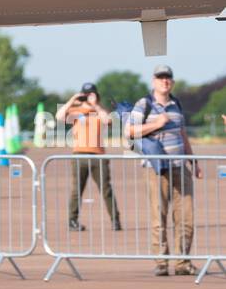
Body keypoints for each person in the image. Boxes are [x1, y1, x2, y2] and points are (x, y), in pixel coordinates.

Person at [126, 64, 200, 277]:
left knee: (185, 217)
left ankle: (183, 262)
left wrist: (193, 162)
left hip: (179, 166)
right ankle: (161, 261)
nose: (164, 81)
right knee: (159, 216)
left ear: (172, 82)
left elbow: (183, 134)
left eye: (167, 77)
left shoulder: (176, 104)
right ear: (153, 81)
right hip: (156, 168)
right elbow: (129, 131)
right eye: (160, 77)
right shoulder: (144, 104)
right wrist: (157, 124)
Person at [56, 83, 122, 232]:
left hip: (98, 155)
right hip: (79, 154)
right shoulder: (75, 111)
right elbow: (59, 117)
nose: (88, 97)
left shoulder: (100, 111)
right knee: (77, 190)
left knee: (106, 189)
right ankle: (72, 221)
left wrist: (95, 105)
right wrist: (72, 100)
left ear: (97, 95)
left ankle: (115, 220)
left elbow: (108, 121)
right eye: (86, 94)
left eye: (91, 94)